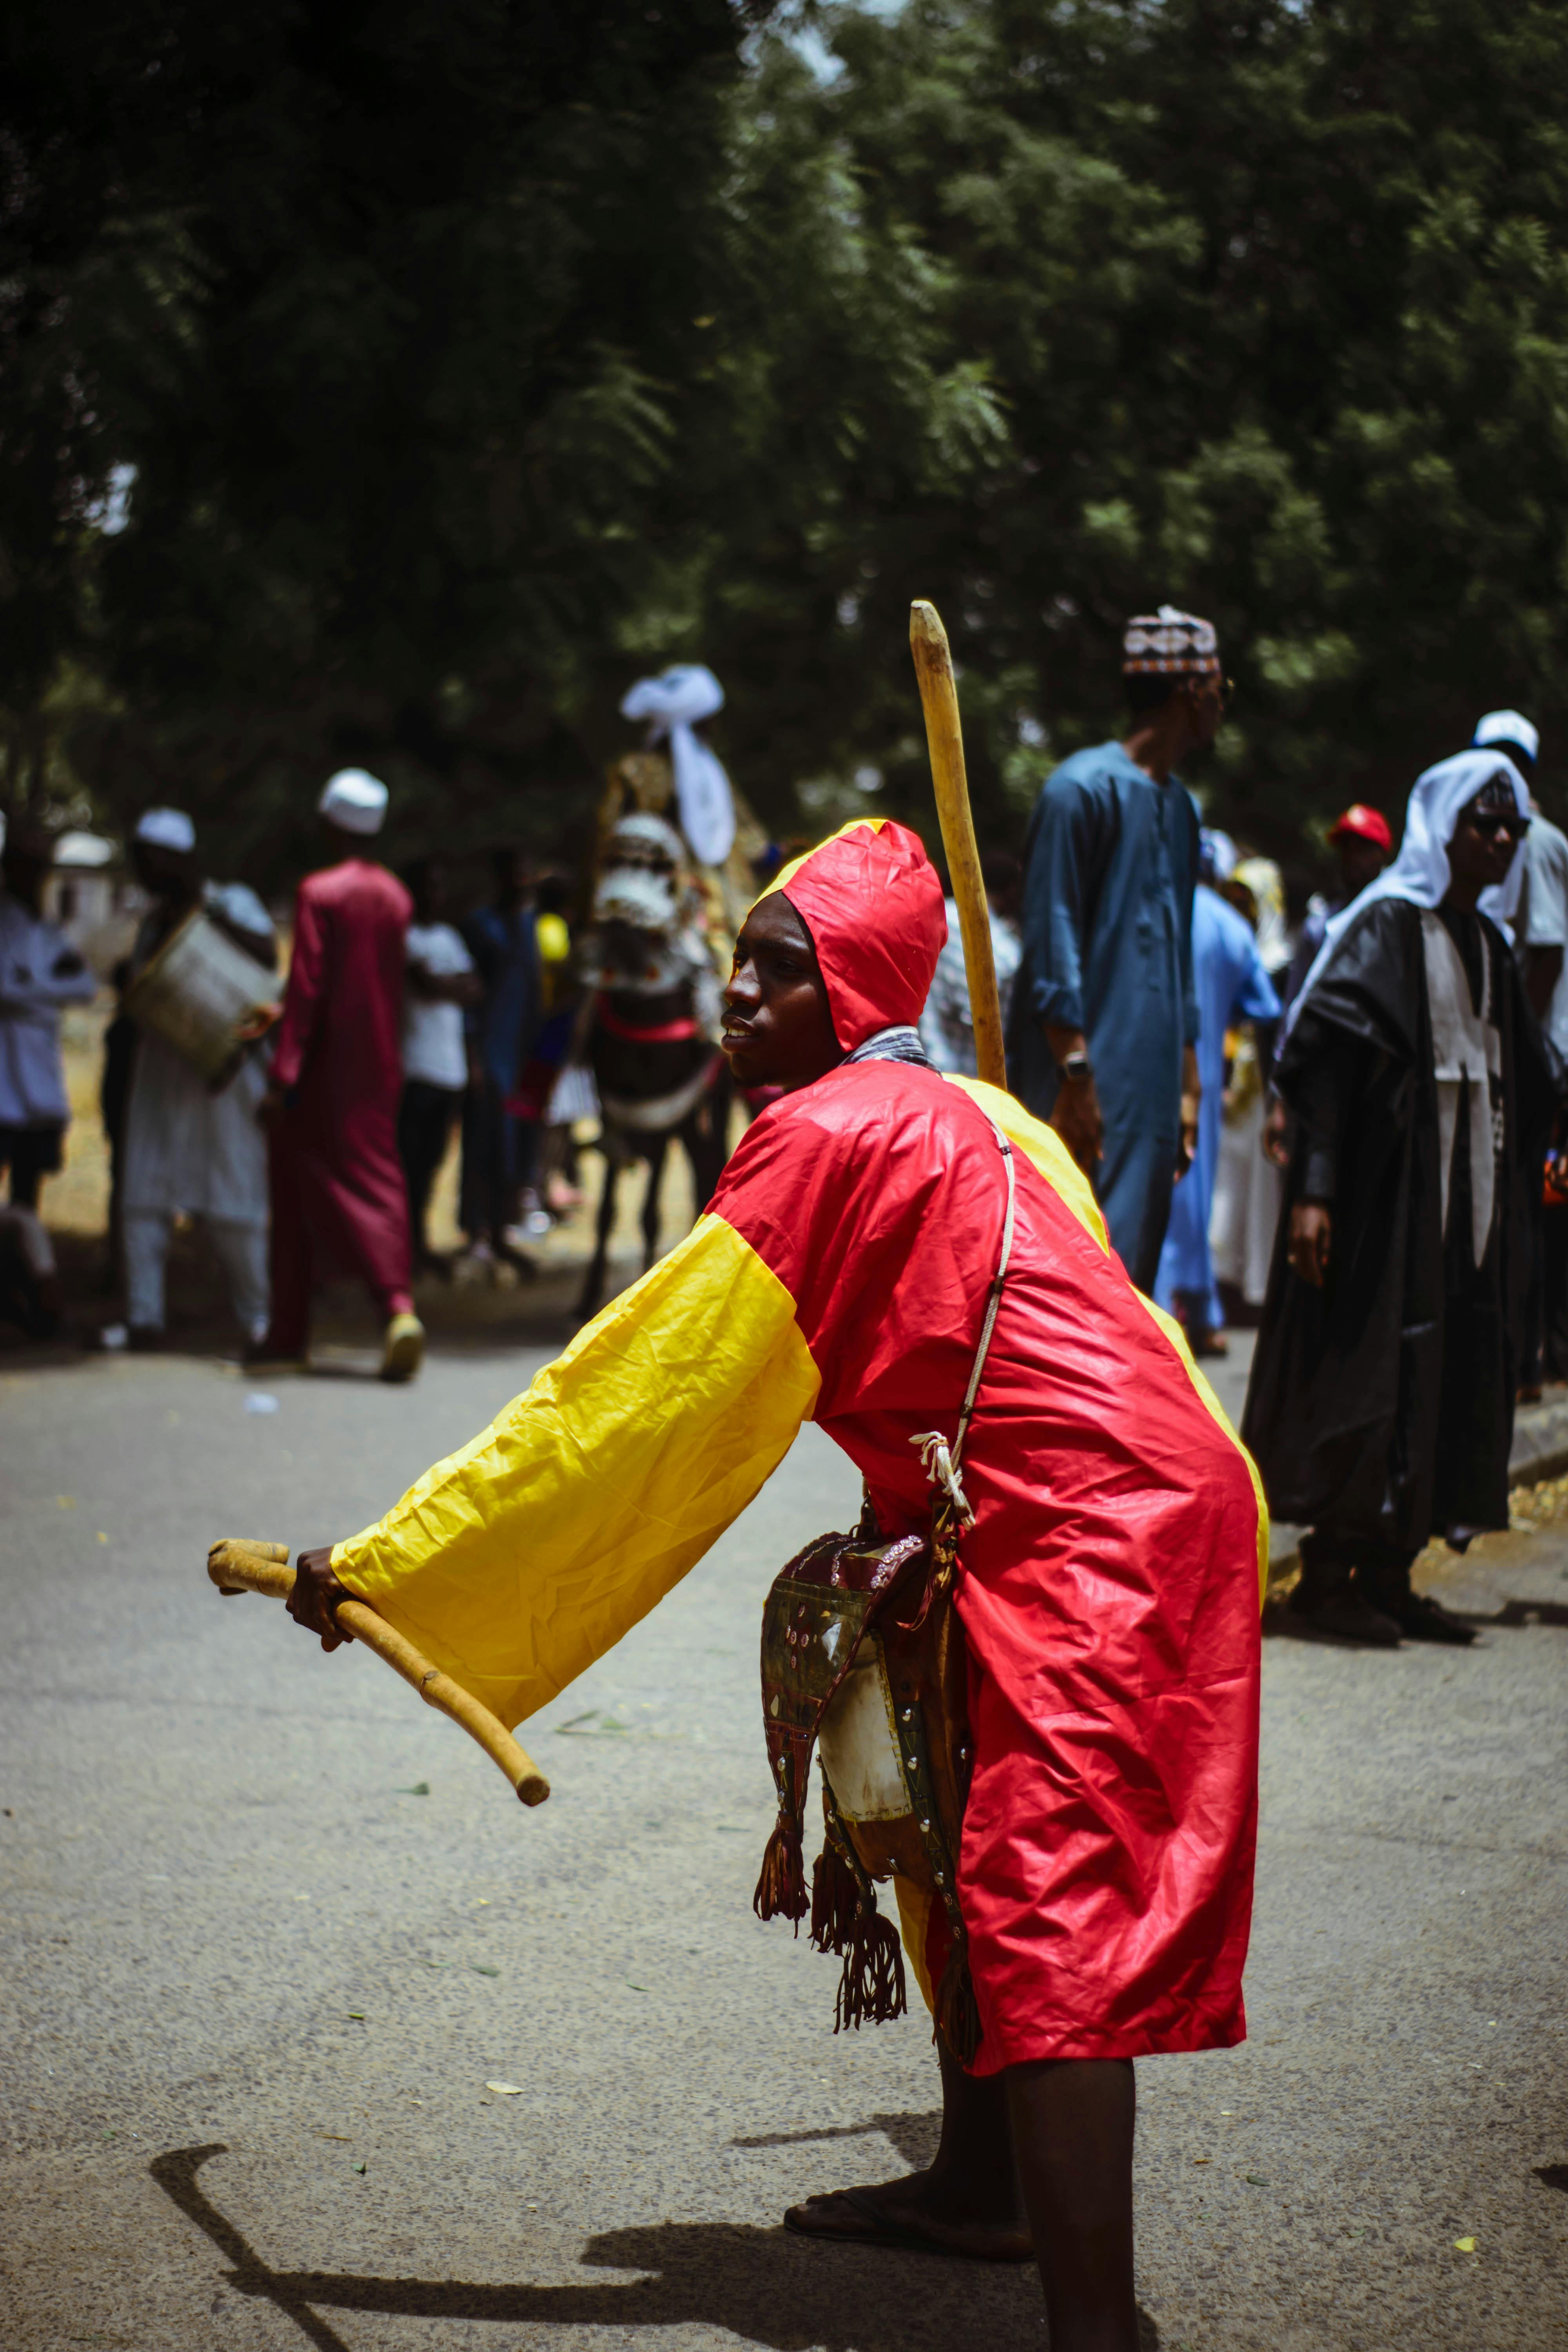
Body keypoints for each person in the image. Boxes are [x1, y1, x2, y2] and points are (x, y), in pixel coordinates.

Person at [283, 816, 1264, 2352]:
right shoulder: (991, 1123)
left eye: (775, 970)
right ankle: (982, 2185)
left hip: (1093, 1531)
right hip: (1090, 1499)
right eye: (734, 965)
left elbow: (630, 1404)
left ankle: (1098, 2330)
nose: (734, 993)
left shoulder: (832, 1132)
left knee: (1049, 1896)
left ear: (854, 993)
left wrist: (397, 1568)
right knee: (936, 1803)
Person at [1244, 751, 1554, 1647]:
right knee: (1370, 1372)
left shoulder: (1489, 946)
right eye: (1482, 824)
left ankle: (1392, 1571)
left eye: (1511, 829)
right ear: (1441, 828)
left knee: (1452, 1367)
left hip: (1469, 1210)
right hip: (1384, 1208)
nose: (1498, 840)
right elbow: (1326, 1069)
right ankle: (1327, 1577)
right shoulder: (1383, 928)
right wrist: (1312, 1191)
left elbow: (1531, 1076)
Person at [1007, 606, 1221, 1290]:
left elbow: (1178, 957)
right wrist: (1074, 1075)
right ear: (1193, 691)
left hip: (1152, 1093)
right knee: (1069, 1278)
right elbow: (1052, 938)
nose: (1226, 701)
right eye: (1223, 686)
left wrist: (1188, 1088)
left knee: (1133, 1281)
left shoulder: (1181, 810)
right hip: (1081, 1088)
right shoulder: (1079, 791)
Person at [254, 770, 423, 1381]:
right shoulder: (396, 896)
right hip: (378, 1064)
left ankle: (289, 1330)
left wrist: (284, 1072)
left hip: (323, 1069)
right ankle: (396, 1306)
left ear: (329, 822)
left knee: (292, 1187)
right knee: (378, 1178)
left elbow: (311, 987)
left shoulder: (320, 892)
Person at [112, 808, 277, 1352]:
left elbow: (266, 964)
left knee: (235, 1195)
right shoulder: (150, 921)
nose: (143, 869)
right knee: (145, 1191)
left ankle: (258, 1318)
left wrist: (201, 914)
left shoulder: (232, 902)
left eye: (151, 859)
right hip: (161, 1075)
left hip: (224, 1077)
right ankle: (144, 1317)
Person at [1155, 833, 1280, 1354]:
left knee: (1154, 1194)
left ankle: (1157, 1315)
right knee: (1196, 1187)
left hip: (1141, 1079)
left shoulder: (1153, 912)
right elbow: (1266, 1008)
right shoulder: (1229, 926)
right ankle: (1201, 1314)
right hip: (1201, 1083)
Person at [1479, 713, 1568, 1394]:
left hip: (1544, 1052)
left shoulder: (1529, 841)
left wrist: (1519, 1042)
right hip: (1545, 1048)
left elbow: (1544, 948)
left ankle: (1530, 1356)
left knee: (1532, 1201)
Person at [1209, 855, 1292, 1321]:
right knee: (1229, 1190)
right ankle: (1230, 1284)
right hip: (1231, 1098)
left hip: (1263, 1094)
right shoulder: (1235, 954)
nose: (1241, 912)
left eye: (1248, 903)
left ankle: (1260, 1288)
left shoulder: (1281, 963)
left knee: (1262, 1196)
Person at [0, 826, 96, 1212]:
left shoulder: (49, 932)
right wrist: (46, 990)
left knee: (27, 1193)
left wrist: (31, 986)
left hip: (37, 1082)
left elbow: (84, 986)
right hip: (5, 1077)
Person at [458, 849, 540, 1269]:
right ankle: (476, 1231)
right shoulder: (481, 926)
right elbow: (469, 999)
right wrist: (473, 1055)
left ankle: (503, 1228)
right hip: (490, 1050)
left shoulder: (530, 926)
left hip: (524, 1053)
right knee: (484, 1142)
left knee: (517, 1145)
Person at [398, 857, 479, 1276]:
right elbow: (430, 985)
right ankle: (407, 1247)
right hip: (414, 1070)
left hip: (450, 1072)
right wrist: (448, 985)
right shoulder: (402, 938)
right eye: (428, 887)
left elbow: (471, 989)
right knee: (408, 1164)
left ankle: (421, 1241)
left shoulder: (446, 937)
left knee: (431, 1163)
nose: (436, 896)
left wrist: (441, 984)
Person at [918, 852, 1022, 1074]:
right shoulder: (1004, 952)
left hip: (926, 1055)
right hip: (965, 1071)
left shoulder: (939, 915)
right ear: (1011, 890)